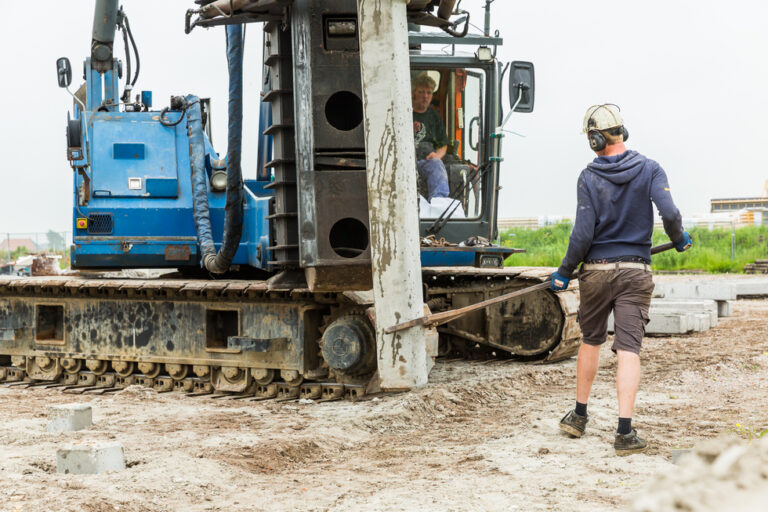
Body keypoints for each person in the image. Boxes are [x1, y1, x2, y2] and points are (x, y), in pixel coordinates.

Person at [552, 104, 693, 456]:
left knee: (591, 340)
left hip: (596, 273)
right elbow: (671, 213)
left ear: (595, 139)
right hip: (635, 272)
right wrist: (678, 238)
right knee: (629, 348)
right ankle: (624, 433)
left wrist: (564, 272)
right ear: (622, 132)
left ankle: (578, 417)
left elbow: (583, 234)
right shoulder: (650, 169)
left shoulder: (588, 177)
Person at [411, 73, 450, 200]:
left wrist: (437, 156)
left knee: (436, 165)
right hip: (404, 161)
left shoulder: (434, 116)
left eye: (429, 92)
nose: (425, 96)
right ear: (413, 93)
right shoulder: (403, 112)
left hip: (426, 161)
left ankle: (438, 203)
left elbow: (443, 144)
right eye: (421, 92)